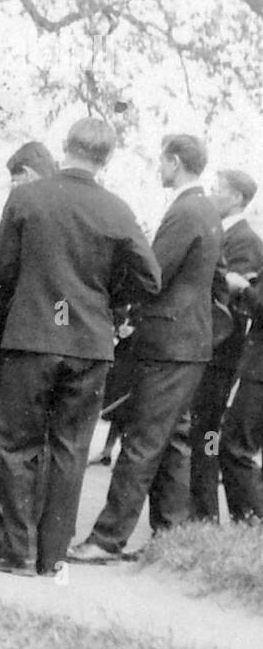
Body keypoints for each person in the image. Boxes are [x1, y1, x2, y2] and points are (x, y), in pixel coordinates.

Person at [0, 117, 160, 577]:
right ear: (107, 158)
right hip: (89, 342)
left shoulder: (26, 197)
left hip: (31, 336)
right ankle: (53, 556)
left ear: (65, 147)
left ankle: (17, 551)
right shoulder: (118, 210)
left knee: (18, 445)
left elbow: (1, 270)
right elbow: (150, 278)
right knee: (71, 449)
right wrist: (106, 299)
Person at [71, 135, 222, 563]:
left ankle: (106, 540)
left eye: (162, 161)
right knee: (173, 440)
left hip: (168, 343)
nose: (159, 169)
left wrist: (119, 299)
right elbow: (215, 279)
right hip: (191, 343)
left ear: (175, 162)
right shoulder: (208, 210)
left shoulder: (185, 210)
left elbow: (152, 273)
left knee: (141, 442)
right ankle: (171, 538)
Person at [0, 140, 58, 553]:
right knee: (46, 439)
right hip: (65, 336)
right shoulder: (77, 205)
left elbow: (3, 269)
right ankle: (35, 531)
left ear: (29, 174)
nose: (14, 184)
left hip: (16, 331)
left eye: (17, 176)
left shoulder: (22, 202)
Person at [187, 169, 263, 520]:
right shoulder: (225, 233)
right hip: (215, 351)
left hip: (223, 354)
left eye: (216, 190)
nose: (210, 195)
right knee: (205, 433)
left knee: (209, 434)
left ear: (235, 198)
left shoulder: (244, 240)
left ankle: (204, 515)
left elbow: (232, 302)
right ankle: (202, 513)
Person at [219, 269, 263, 523]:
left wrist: (244, 288)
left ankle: (253, 517)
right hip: (252, 371)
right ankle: (245, 518)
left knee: (234, 447)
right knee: (229, 445)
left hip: (257, 374)